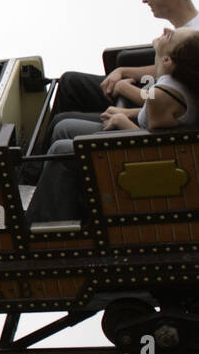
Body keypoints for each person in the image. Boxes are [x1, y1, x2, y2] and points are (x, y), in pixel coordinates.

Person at [27, 27, 199, 223]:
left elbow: (155, 147)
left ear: (168, 60)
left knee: (61, 149)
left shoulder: (163, 95)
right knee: (63, 127)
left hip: (144, 162)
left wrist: (123, 121)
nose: (166, 29)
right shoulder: (172, 84)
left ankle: (44, 221)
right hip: (137, 139)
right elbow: (159, 115)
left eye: (170, 36)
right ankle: (46, 193)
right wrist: (127, 112)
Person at [48, 0, 199, 123]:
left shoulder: (193, 36)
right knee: (71, 83)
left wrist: (125, 83)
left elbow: (174, 72)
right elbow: (166, 67)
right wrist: (123, 71)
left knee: (63, 119)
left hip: (160, 105)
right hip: (154, 94)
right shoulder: (181, 33)